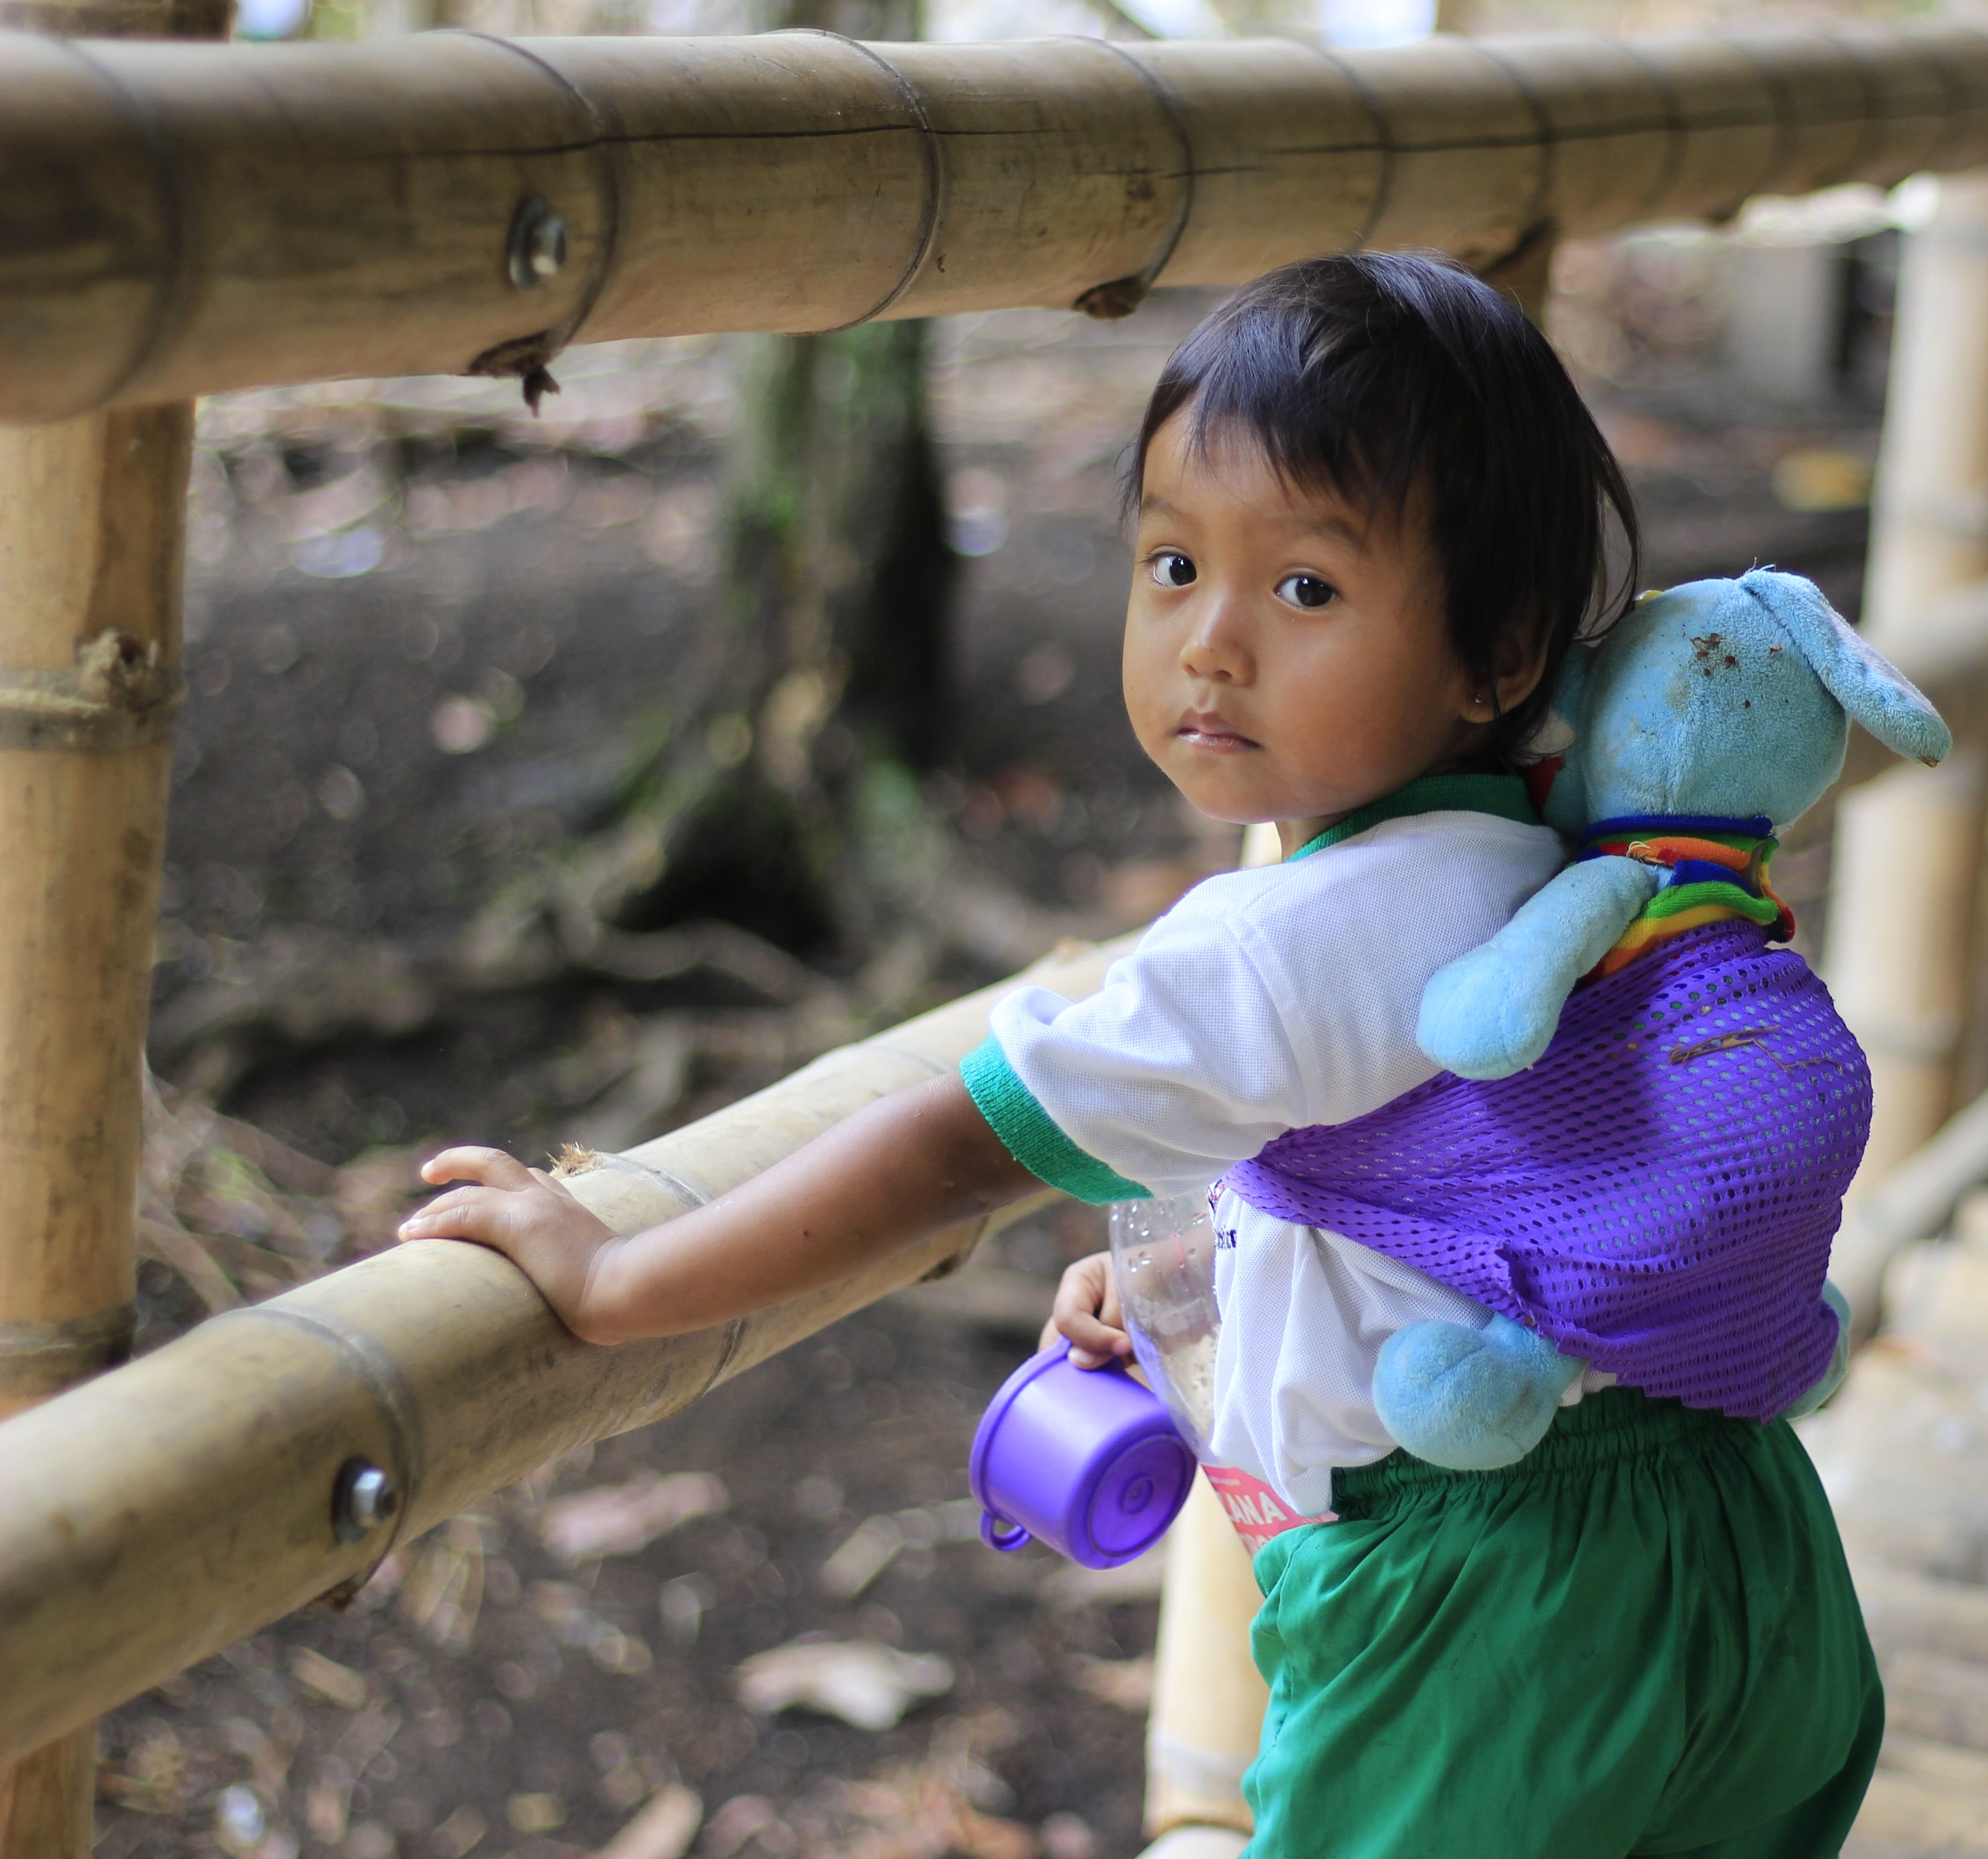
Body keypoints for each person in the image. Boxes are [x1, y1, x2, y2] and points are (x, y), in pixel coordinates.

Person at [399, 251, 1882, 1859]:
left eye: (1306, 588)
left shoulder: (1268, 946)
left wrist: (622, 1282)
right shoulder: (1555, 852)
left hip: (1486, 1623)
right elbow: (1460, 1181)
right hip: (1741, 1543)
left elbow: (945, 1153)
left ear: (1501, 651)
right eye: (1174, 564)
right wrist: (1206, 1289)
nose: (1213, 643)